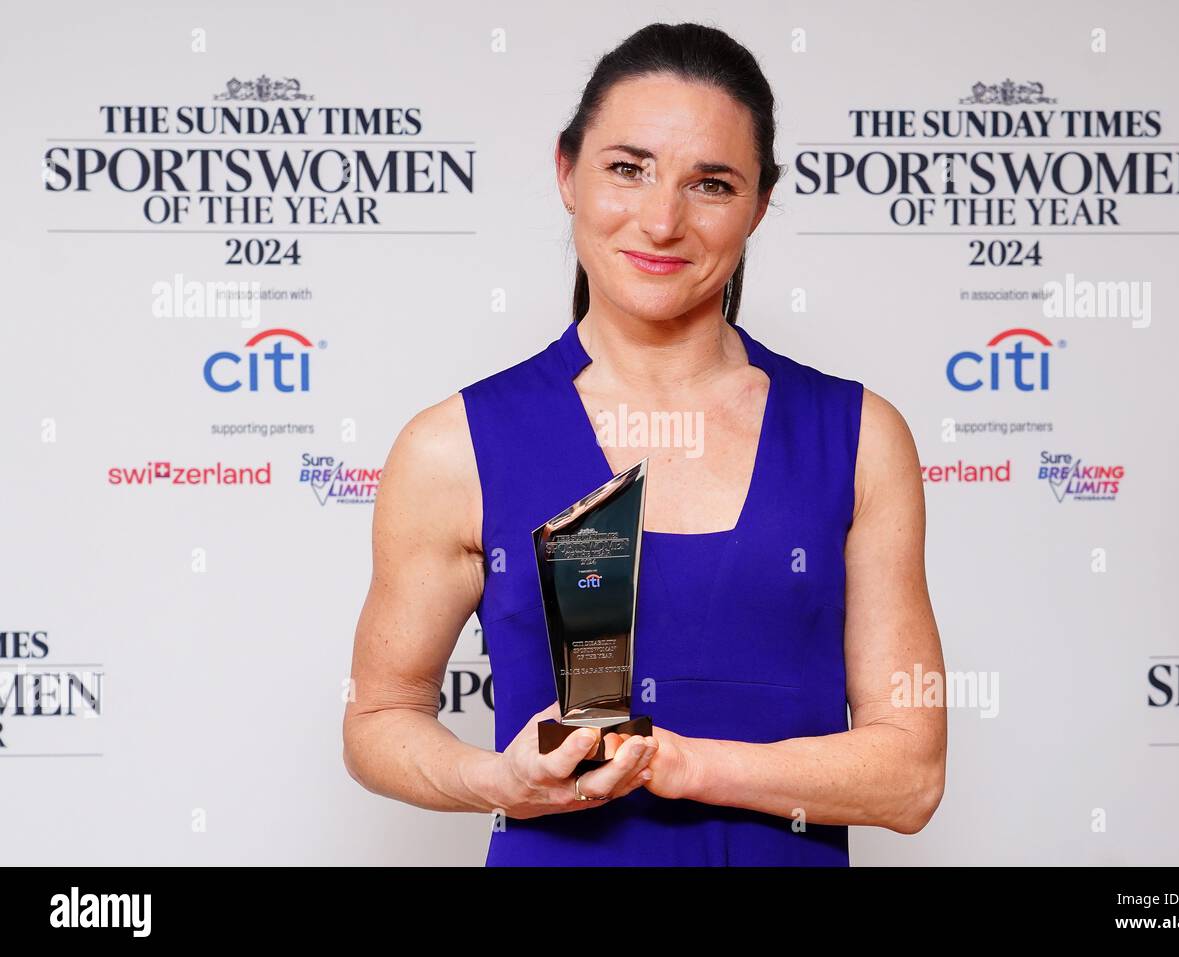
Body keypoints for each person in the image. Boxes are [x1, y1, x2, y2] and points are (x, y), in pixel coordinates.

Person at [343, 22, 946, 866]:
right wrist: (497, 780)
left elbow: (910, 776)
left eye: (712, 183)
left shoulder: (855, 437)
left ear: (761, 204)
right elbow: (378, 720)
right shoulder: (455, 446)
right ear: (567, 172)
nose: (661, 220)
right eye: (628, 169)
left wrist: (679, 761)